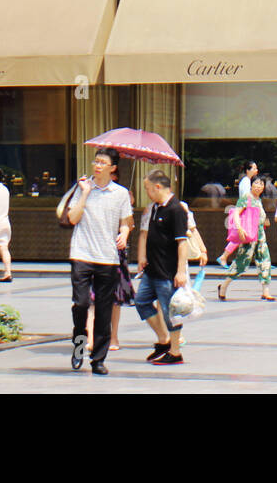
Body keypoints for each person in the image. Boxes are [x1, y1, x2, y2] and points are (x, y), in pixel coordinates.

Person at [66, 148, 133, 375]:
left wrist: (124, 234)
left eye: (103, 162)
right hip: (82, 254)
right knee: (81, 303)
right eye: (96, 161)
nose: (98, 165)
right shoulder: (82, 187)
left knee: (105, 309)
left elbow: (127, 222)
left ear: (113, 167)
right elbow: (72, 218)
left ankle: (98, 359)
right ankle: (79, 341)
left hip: (108, 257)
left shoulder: (121, 193)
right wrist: (84, 193)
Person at [135, 170, 190, 366]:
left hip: (167, 271)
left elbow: (182, 242)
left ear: (158, 187)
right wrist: (143, 257)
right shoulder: (155, 208)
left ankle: (175, 352)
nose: (147, 193)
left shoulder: (176, 210)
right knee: (141, 301)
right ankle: (164, 340)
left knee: (169, 312)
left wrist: (180, 271)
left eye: (148, 189)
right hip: (152, 269)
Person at [217, 176, 275, 301]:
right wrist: (239, 228)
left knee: (265, 260)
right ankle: (223, 286)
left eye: (261, 184)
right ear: (251, 185)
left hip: (260, 235)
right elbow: (236, 214)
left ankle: (266, 291)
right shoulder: (246, 197)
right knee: (242, 262)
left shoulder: (258, 200)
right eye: (256, 183)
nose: (258, 186)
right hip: (248, 235)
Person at [217, 161, 260, 267]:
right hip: (245, 211)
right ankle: (224, 256)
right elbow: (246, 198)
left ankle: (262, 261)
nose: (256, 170)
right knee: (242, 236)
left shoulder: (246, 181)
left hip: (246, 211)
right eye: (254, 168)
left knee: (254, 236)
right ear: (247, 170)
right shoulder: (246, 182)